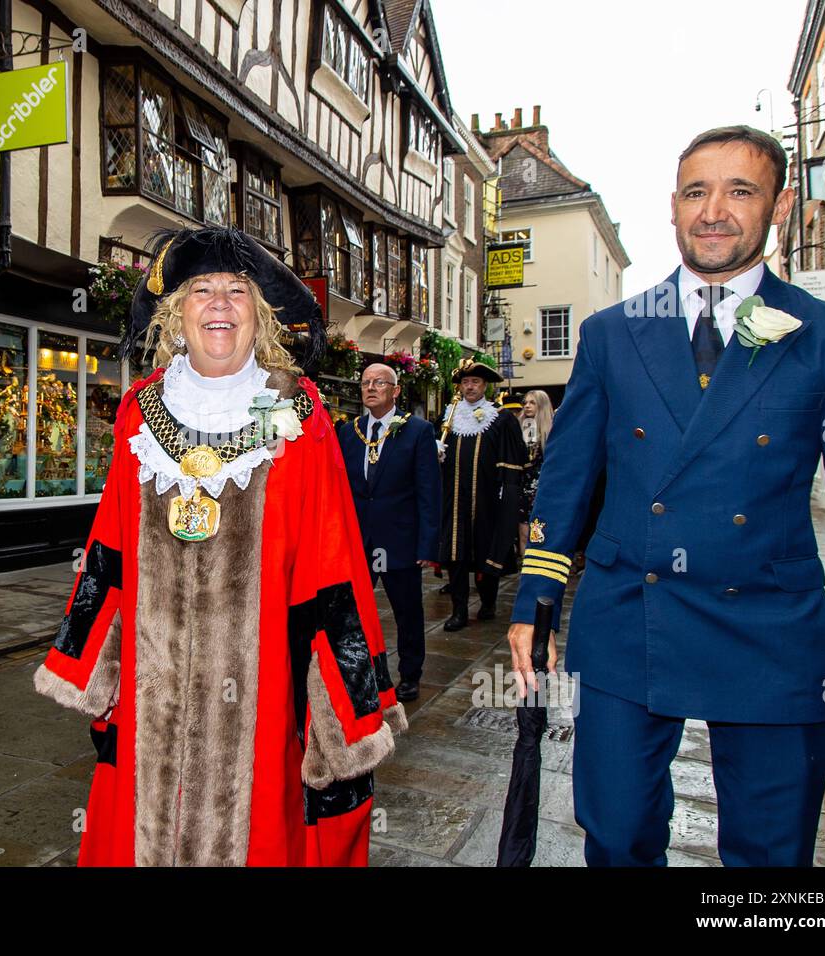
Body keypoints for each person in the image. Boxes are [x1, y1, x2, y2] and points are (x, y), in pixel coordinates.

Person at [508, 125, 825, 867]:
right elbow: (568, 478)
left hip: (770, 626)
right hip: (627, 614)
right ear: (673, 209)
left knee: (771, 856)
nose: (715, 210)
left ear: (777, 207)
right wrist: (533, 606)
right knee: (614, 838)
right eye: (696, 192)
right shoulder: (613, 333)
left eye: (740, 191)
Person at [34, 226, 405, 867]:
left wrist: (342, 698)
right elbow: (110, 546)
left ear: (259, 316)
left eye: (237, 291)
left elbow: (333, 557)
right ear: (177, 314)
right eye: (202, 290)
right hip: (152, 690)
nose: (220, 304)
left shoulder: (296, 410)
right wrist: (92, 663)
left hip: (265, 689)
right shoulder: (139, 410)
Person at [337, 363, 441, 702]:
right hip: (358, 541)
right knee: (353, 613)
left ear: (395, 391)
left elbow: (429, 492)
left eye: (379, 382)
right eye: (365, 382)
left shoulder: (417, 431)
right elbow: (342, 489)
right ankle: (357, 673)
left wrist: (427, 543)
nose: (370, 387)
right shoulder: (348, 433)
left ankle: (410, 674)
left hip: (400, 541)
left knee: (407, 611)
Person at [437, 360, 526, 631]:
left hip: (487, 498)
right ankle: (459, 611)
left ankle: (488, 602)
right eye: (465, 382)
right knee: (457, 552)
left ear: (485, 386)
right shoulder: (450, 417)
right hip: (454, 498)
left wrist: (506, 492)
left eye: (475, 382)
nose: (469, 387)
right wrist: (438, 453)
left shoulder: (500, 418)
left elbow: (513, 459)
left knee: (486, 550)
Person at [517, 390, 554, 557]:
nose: (527, 406)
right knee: (524, 534)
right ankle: (526, 571)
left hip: (544, 490)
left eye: (532, 402)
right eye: (525, 402)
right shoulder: (522, 428)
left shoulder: (552, 431)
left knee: (540, 536)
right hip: (523, 488)